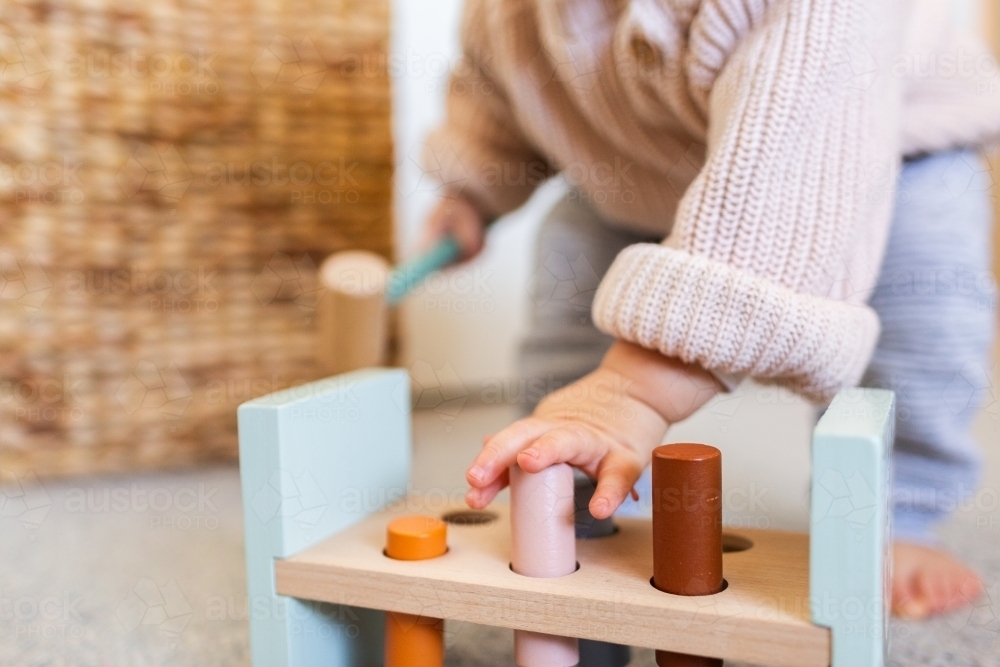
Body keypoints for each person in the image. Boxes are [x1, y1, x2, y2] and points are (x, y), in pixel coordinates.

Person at [420, 0, 1000, 619]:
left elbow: (787, 170)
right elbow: (498, 86)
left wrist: (635, 391)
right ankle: (578, 498)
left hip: (886, 150)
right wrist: (472, 186)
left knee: (920, 336)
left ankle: (899, 514)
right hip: (636, 174)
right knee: (571, 303)